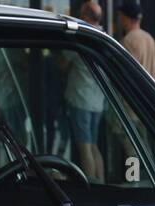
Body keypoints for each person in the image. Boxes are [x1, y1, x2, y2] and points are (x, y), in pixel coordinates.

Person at [62, 1, 106, 181]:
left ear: (86, 16)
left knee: (85, 148)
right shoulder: (103, 36)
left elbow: (63, 63)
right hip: (97, 101)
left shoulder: (82, 35)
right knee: (94, 146)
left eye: (81, 14)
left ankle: (92, 190)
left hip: (81, 99)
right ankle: (102, 184)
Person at [118, 1, 155, 77]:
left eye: (121, 15)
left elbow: (124, 72)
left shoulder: (127, 41)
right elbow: (154, 70)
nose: (120, 19)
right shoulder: (150, 39)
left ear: (128, 18)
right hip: (147, 88)